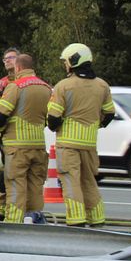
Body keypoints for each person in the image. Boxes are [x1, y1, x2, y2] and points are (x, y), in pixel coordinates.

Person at [47, 43, 115, 227]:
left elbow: (53, 119)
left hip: (68, 145)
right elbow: (109, 114)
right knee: (89, 182)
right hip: (90, 144)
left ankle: (76, 220)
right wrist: (95, 125)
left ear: (73, 61)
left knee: (71, 182)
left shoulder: (63, 86)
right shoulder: (102, 85)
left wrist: (58, 126)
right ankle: (97, 220)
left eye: (66, 61)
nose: (65, 65)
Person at [0, 54, 51, 224]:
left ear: (18, 68)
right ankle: (34, 218)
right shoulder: (46, 87)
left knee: (16, 185)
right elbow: (51, 118)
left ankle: (14, 222)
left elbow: (1, 115)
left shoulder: (15, 87)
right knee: (35, 185)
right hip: (38, 145)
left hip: (17, 147)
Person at [0, 47, 20, 221]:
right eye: (5, 59)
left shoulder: (23, 81)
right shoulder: (2, 82)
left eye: (11, 58)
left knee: (14, 176)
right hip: (3, 133)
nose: (7, 61)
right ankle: (0, 210)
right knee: (2, 176)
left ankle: (14, 211)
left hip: (17, 135)